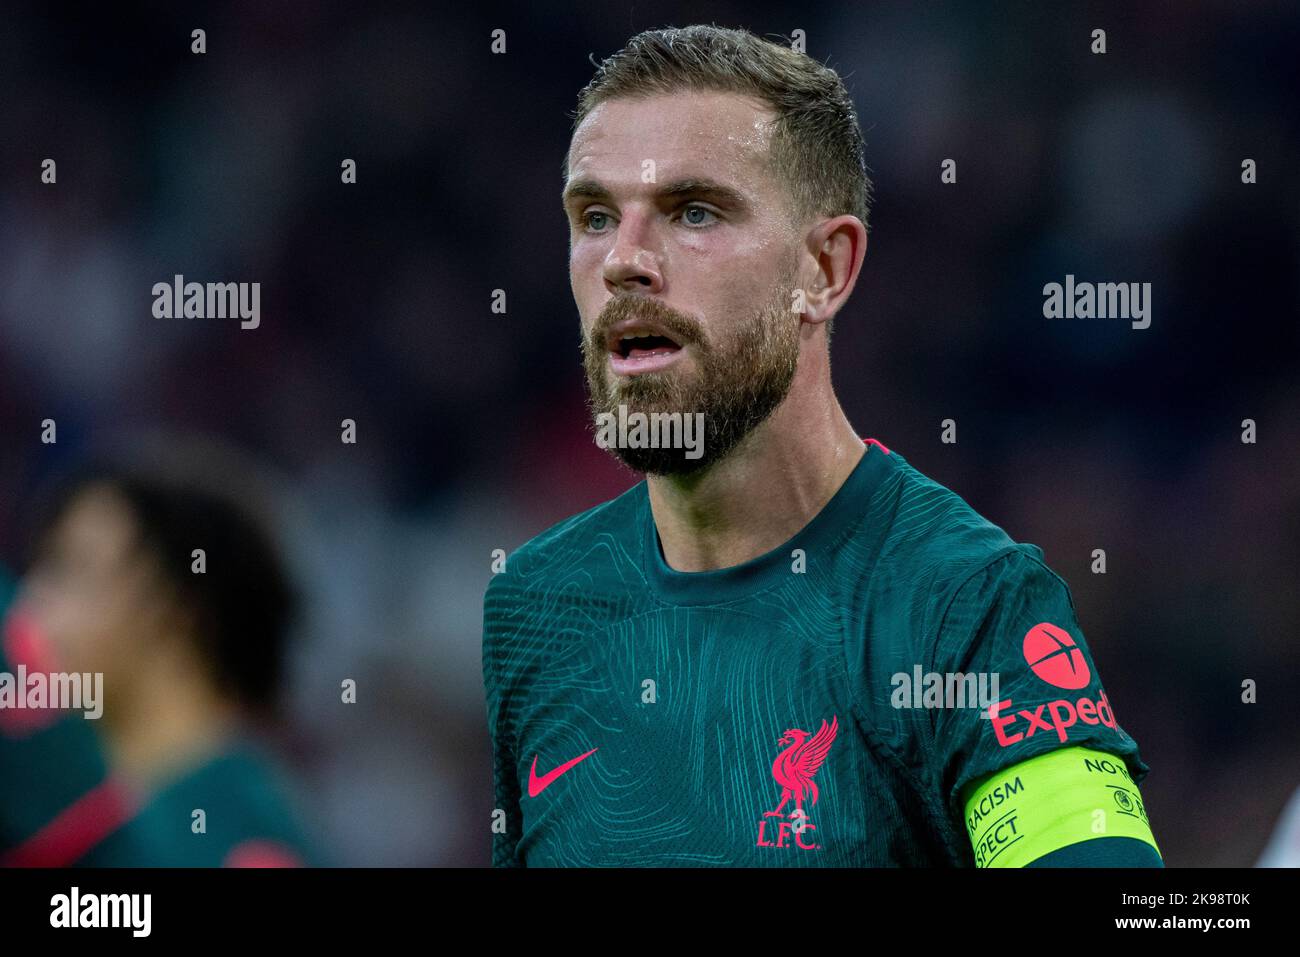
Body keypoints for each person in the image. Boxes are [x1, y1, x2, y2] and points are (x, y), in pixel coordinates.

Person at [482, 24, 1162, 867]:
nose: (624, 261)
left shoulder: (964, 605)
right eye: (594, 216)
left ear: (825, 270)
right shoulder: (536, 606)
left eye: (694, 211)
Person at [3, 443, 315, 866]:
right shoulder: (78, 810)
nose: (30, 606)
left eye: (69, 570)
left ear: (179, 610)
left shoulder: (239, 843)